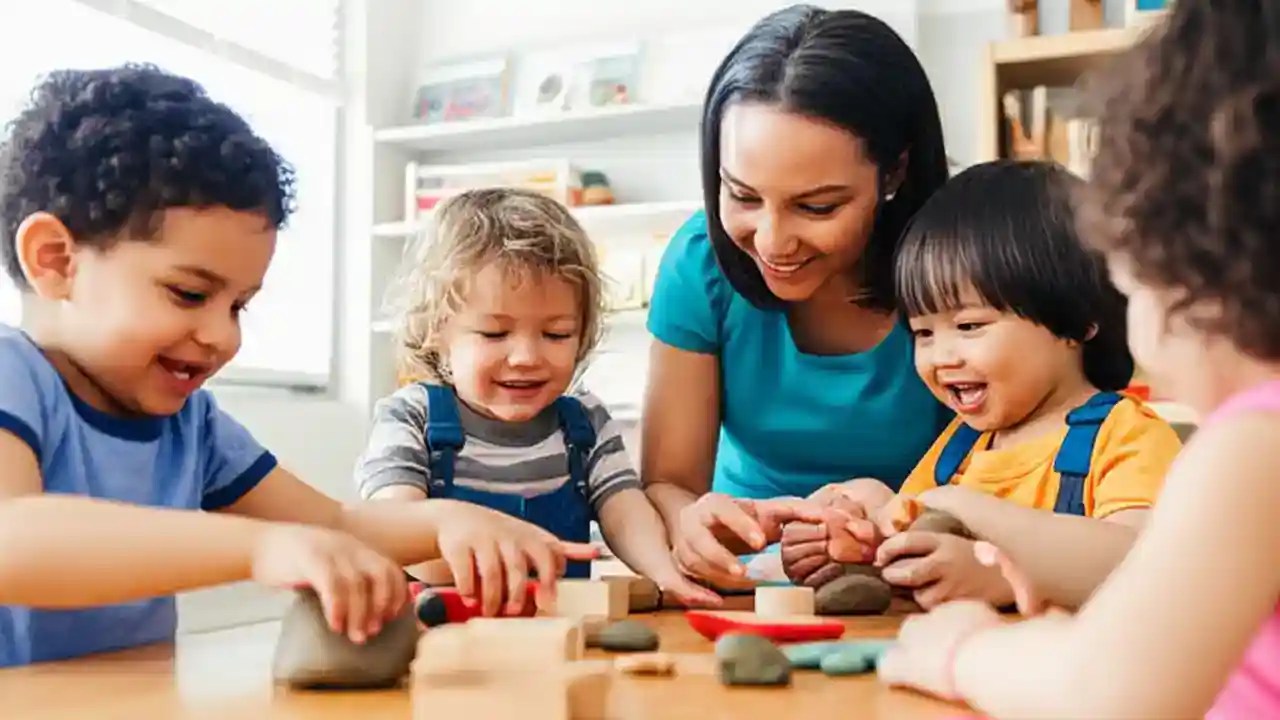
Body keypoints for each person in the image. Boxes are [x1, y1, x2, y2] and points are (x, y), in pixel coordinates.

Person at [0, 65, 591, 668]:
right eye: (188, 294)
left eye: (239, 306)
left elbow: (333, 524)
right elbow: (11, 540)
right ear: (55, 260)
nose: (221, 336)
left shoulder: (191, 426)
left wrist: (448, 522)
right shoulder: (12, 375)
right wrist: (260, 547)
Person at [876, 4, 1280, 717]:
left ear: (1184, 261)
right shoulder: (957, 447)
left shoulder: (1257, 445)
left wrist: (960, 650)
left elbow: (1101, 690)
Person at [641, 3, 954, 593]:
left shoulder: (959, 263)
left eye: (818, 207)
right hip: (751, 574)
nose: (772, 243)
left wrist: (890, 519)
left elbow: (1009, 467)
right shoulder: (699, 261)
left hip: (918, 571)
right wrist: (692, 524)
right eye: (742, 195)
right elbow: (668, 484)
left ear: (894, 174)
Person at [779, 160, 1181, 610]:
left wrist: (991, 558)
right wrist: (864, 538)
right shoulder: (962, 448)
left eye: (969, 325)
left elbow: (1143, 565)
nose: (942, 357)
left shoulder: (1124, 436)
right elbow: (917, 528)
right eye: (923, 334)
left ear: (1078, 320)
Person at [354, 188, 716, 605]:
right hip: (443, 631)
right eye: (494, 334)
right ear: (437, 333)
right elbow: (392, 524)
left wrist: (666, 574)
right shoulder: (410, 416)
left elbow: (626, 511)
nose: (526, 357)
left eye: (556, 334)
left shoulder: (584, 424)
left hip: (559, 627)